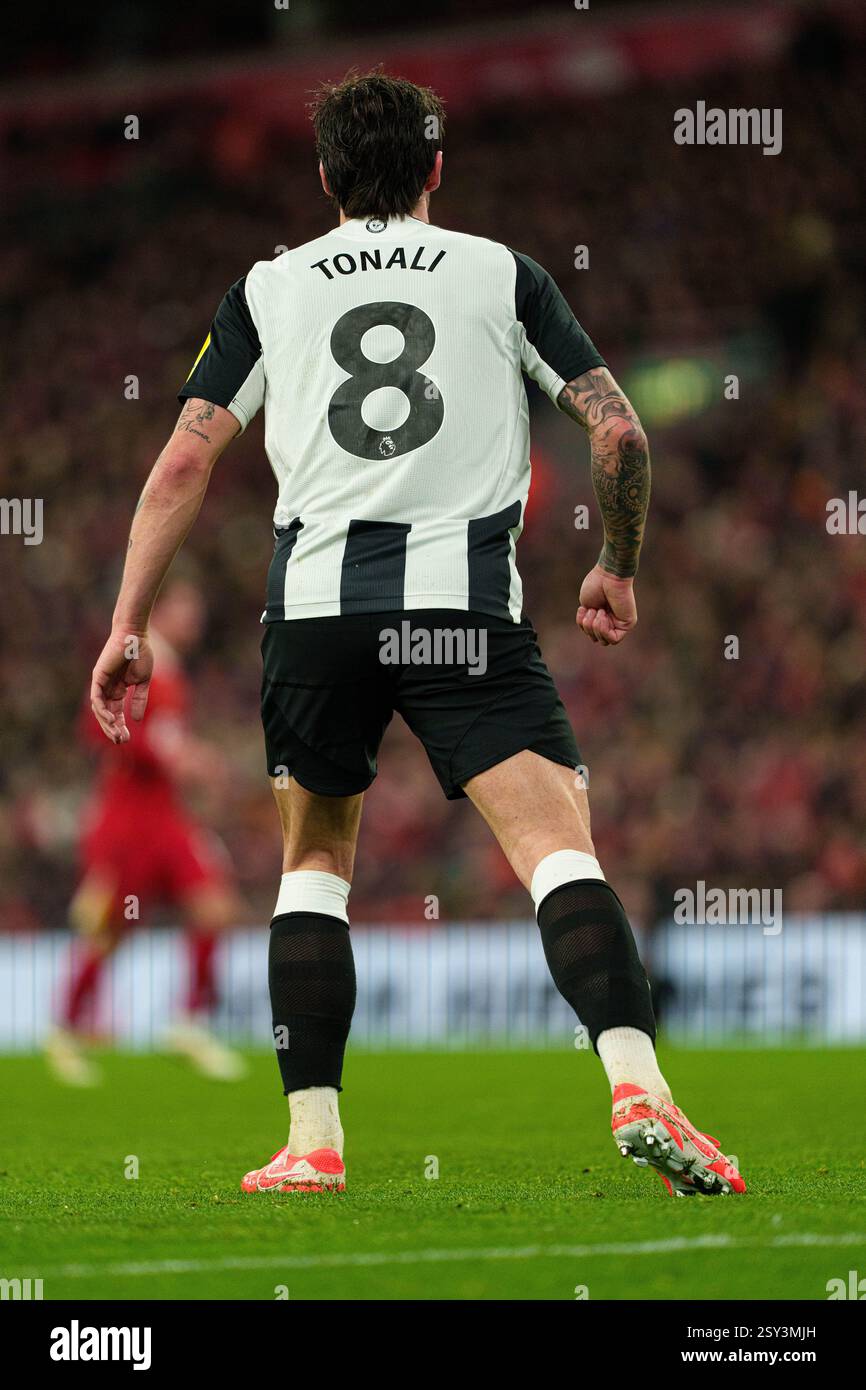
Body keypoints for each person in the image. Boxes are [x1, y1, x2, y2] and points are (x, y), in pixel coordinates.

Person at [89, 71, 744, 1198]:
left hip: (314, 616)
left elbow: (187, 461)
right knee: (558, 852)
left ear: (324, 177)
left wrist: (126, 624)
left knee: (311, 867)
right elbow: (620, 435)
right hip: (460, 614)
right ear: (436, 167)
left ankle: (312, 1142)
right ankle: (637, 1086)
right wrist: (615, 569)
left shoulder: (268, 286)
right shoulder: (503, 274)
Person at [49, 579, 245, 1086]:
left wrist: (190, 760)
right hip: (128, 819)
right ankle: (66, 1031)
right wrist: (173, 756)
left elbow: (168, 742)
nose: (196, 619)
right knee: (111, 931)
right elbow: (97, 728)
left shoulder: (175, 672)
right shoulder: (133, 659)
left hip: (168, 817)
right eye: (188, 606)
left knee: (215, 907)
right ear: (162, 609)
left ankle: (188, 1023)